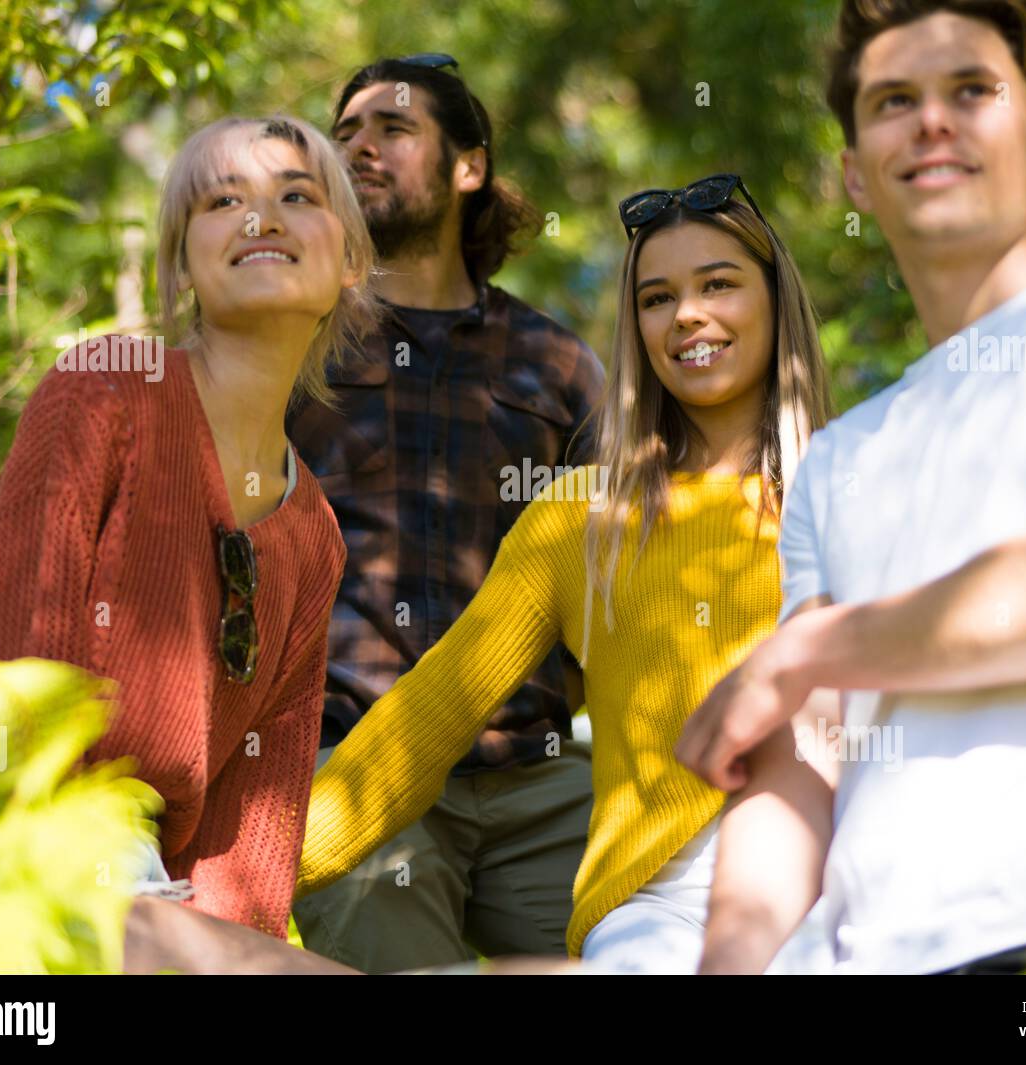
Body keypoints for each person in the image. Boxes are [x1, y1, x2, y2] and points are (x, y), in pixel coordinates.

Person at [678, 0, 1026, 975]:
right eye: (892, 100)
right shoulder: (837, 458)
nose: (931, 121)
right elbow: (806, 759)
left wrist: (803, 650)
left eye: (971, 90)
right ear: (852, 177)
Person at [293, 172, 836, 975]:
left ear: (775, 300)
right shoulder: (579, 516)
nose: (686, 313)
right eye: (656, 297)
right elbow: (430, 713)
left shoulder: (852, 484)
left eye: (718, 283)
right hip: (653, 910)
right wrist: (261, 866)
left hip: (833, 881)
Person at [0, 114, 376, 958]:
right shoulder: (105, 392)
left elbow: (254, 819)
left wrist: (230, 944)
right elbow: (6, 684)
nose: (259, 217)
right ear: (182, 261)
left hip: (133, 872)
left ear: (350, 262)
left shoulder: (315, 536)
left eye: (295, 196)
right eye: (222, 200)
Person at [286, 55, 605, 973]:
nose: (358, 150)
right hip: (357, 766)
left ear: (469, 167)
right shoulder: (293, 338)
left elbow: (617, 572)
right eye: (342, 136)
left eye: (391, 129)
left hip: (537, 776)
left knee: (655, 943)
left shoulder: (557, 363)